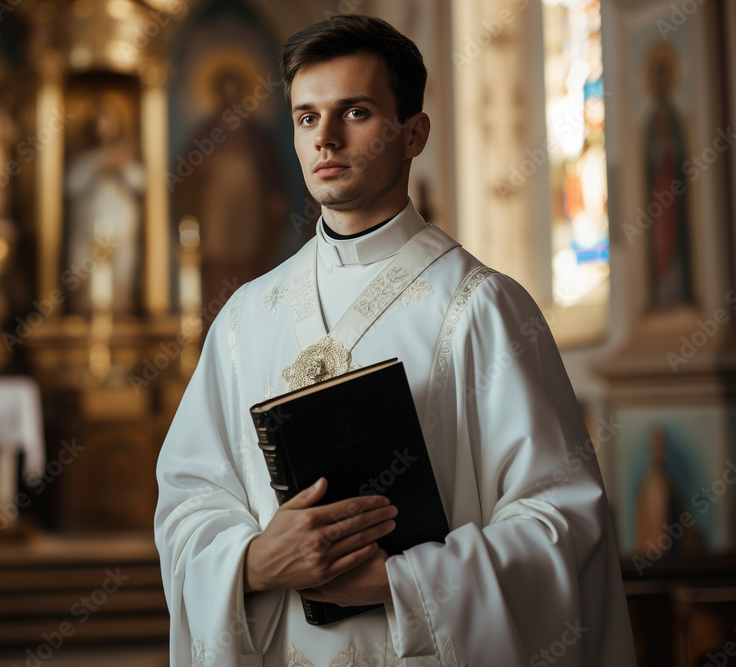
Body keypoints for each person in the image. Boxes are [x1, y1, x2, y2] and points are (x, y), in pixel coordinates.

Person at [155, 14, 636, 667]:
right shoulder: (245, 318)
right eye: (305, 117)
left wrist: (401, 582)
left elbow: (561, 522)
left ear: (415, 134)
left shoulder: (483, 308)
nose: (324, 137)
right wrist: (252, 560)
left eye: (354, 112)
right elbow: (189, 500)